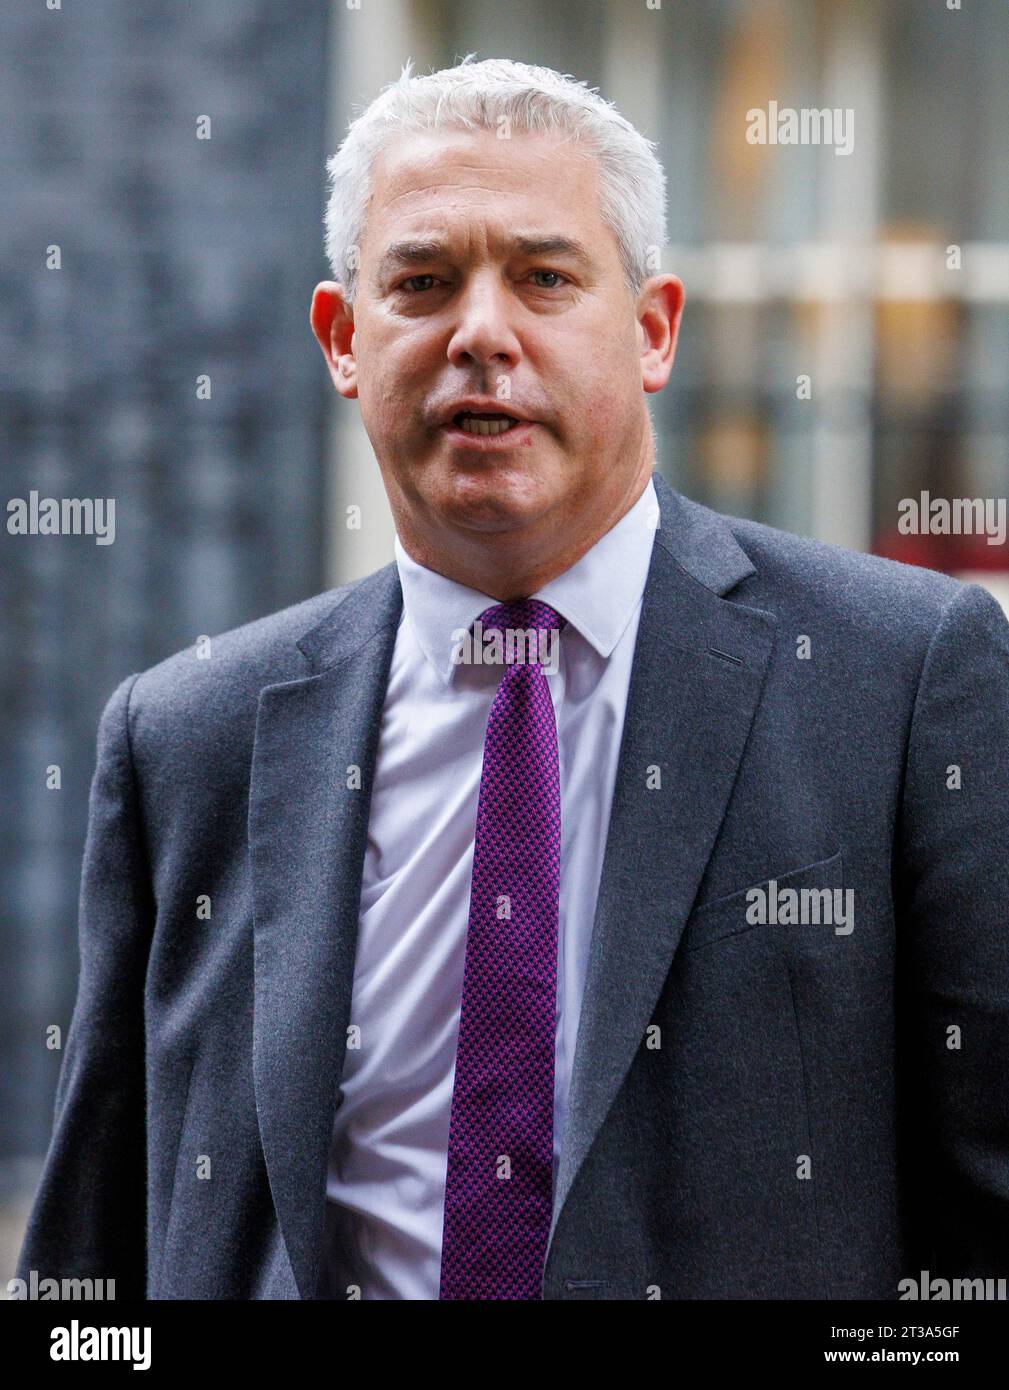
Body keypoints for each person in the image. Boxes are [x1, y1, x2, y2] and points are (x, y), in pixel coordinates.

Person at [16, 56, 1009, 1301]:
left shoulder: (905, 679)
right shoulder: (187, 738)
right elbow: (89, 1269)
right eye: (423, 283)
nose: (481, 332)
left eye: (544, 278)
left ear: (651, 330)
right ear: (341, 339)